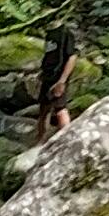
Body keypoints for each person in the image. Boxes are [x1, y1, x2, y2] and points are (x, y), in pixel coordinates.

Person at [34, 15, 79, 145]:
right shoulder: (50, 34)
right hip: (48, 76)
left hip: (58, 76)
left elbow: (72, 57)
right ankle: (40, 140)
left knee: (60, 109)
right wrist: (42, 73)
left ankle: (67, 141)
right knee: (43, 109)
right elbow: (49, 56)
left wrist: (62, 81)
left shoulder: (65, 34)